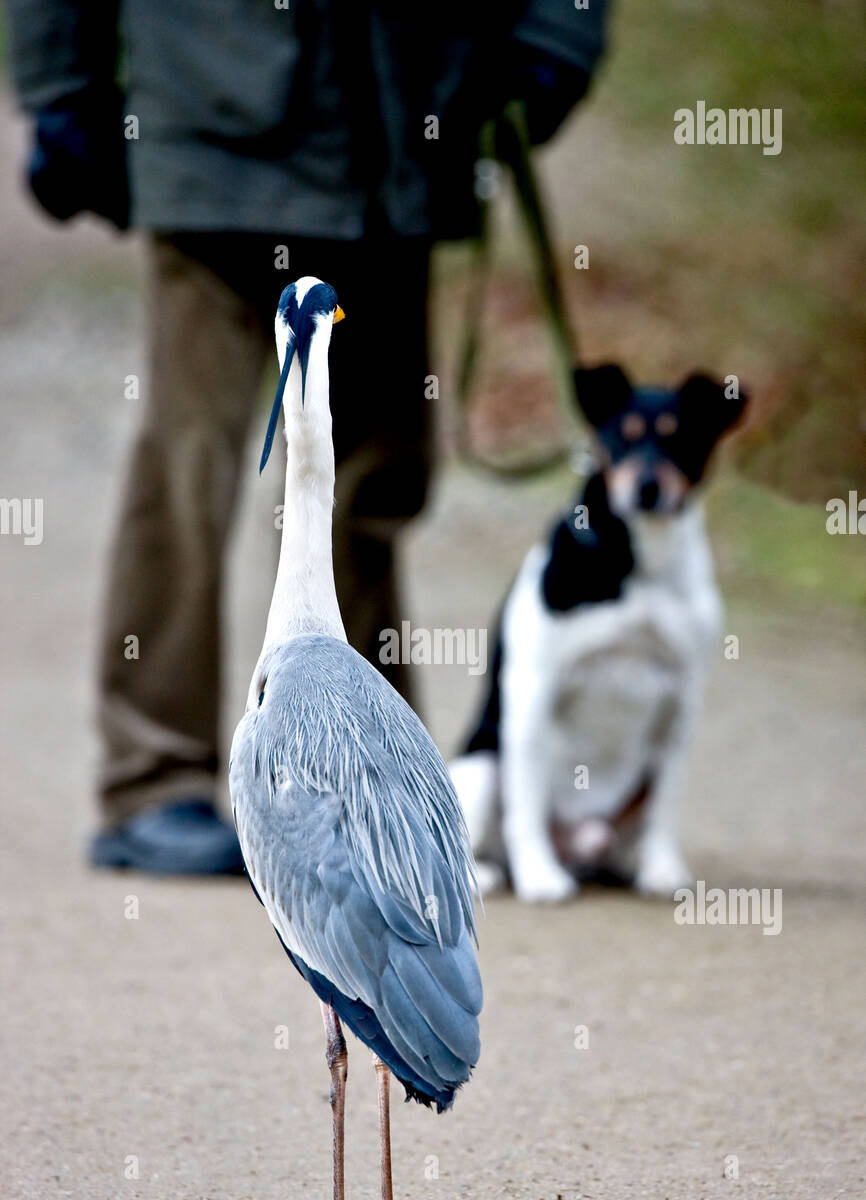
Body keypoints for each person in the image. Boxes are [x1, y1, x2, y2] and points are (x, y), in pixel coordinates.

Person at [8, 1, 610, 874]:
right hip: (212, 136)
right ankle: (155, 777)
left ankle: (366, 780)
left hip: (404, 141)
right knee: (192, 465)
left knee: (373, 480)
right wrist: (63, 87)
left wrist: (557, 39)